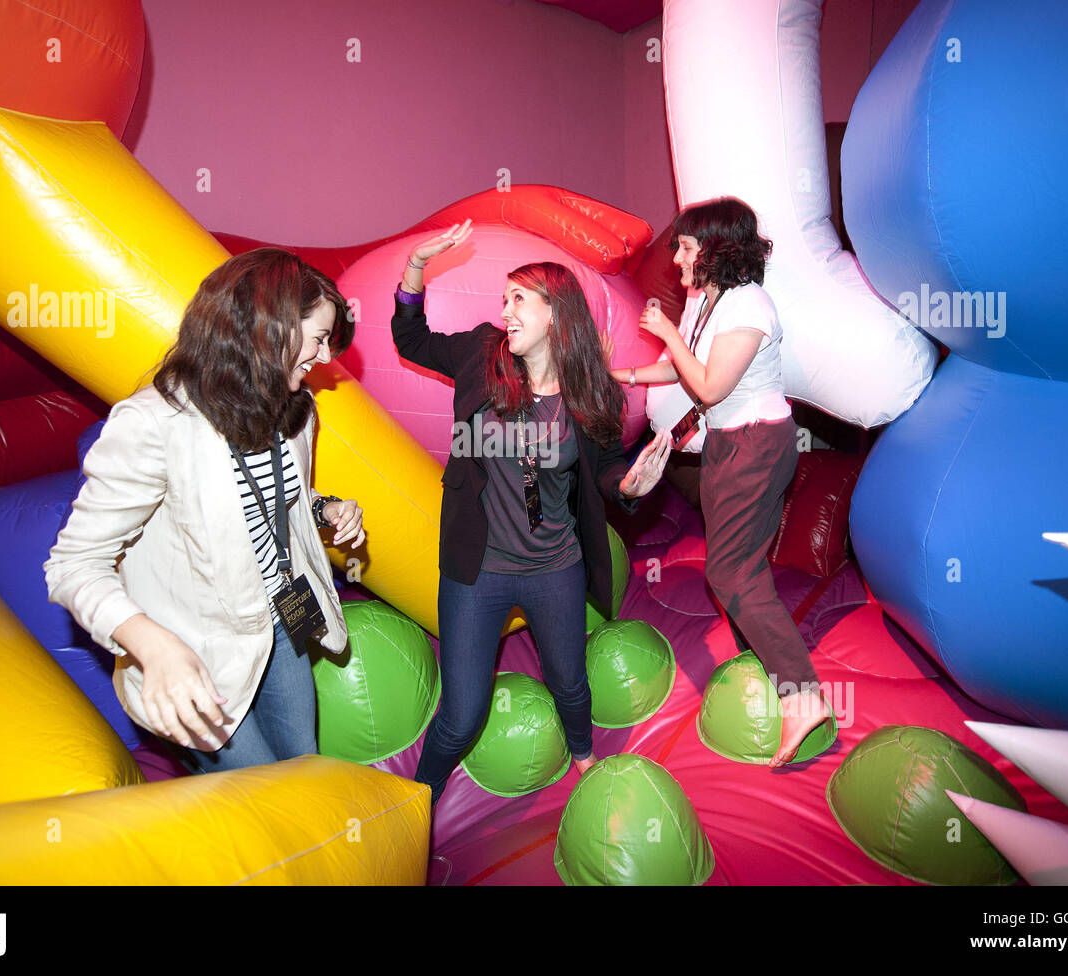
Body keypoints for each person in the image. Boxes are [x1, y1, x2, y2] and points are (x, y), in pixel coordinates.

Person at [45, 248, 365, 772]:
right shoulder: (155, 423)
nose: (326, 358)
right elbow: (73, 565)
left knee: (305, 770)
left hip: (281, 617)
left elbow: (264, 501)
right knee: (260, 799)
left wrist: (323, 507)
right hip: (202, 648)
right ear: (268, 329)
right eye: (319, 339)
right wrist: (153, 645)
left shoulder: (294, 411)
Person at [392, 220, 670, 805]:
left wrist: (630, 482)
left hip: (554, 565)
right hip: (480, 567)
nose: (507, 311)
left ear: (555, 314)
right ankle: (417, 802)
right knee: (463, 714)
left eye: (519, 300)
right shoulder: (481, 354)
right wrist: (415, 267)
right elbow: (410, 339)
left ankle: (585, 762)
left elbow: (605, 467)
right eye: (504, 301)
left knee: (570, 684)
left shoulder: (590, 390)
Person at [609, 197, 832, 767]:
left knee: (731, 570)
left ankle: (803, 695)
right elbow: (678, 367)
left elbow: (708, 387)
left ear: (714, 250)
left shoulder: (749, 304)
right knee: (736, 567)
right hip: (730, 444)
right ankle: (761, 664)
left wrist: (667, 332)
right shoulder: (703, 300)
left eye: (685, 246)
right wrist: (627, 373)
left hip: (757, 443)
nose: (676, 256)